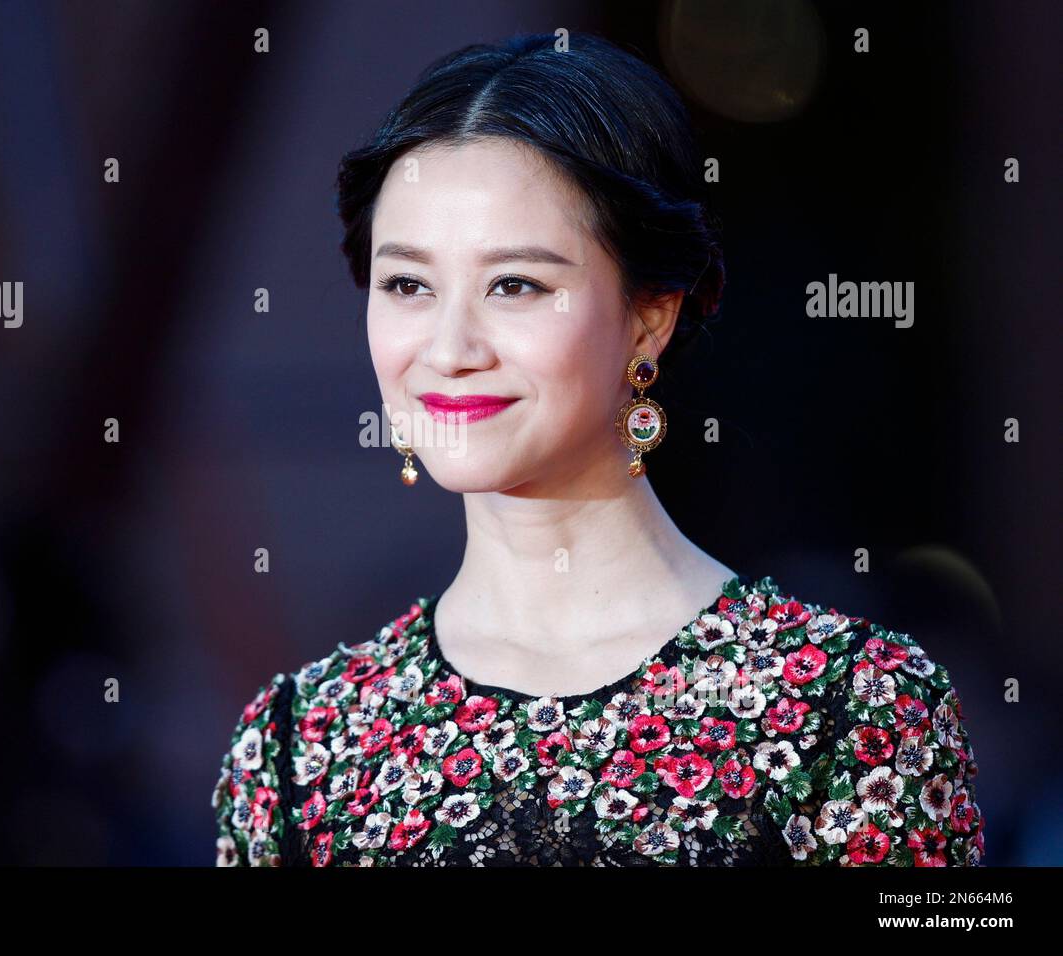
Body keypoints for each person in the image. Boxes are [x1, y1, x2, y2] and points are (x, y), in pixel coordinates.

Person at [211, 31, 985, 867]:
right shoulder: (296, 747)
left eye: (516, 285)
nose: (449, 347)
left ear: (649, 316)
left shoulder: (854, 711)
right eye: (408, 285)